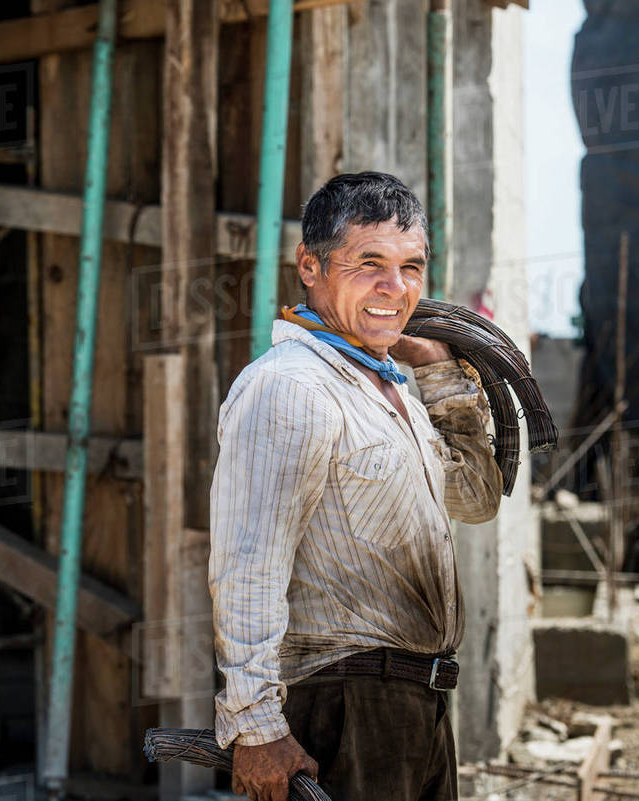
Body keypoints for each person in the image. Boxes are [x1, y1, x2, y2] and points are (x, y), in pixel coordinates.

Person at [209, 172, 503, 801]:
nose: (394, 289)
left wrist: (442, 375)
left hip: (415, 703)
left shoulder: (388, 387)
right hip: (342, 702)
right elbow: (247, 564)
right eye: (369, 263)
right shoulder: (291, 386)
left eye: (411, 267)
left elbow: (476, 498)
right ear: (309, 266)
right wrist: (256, 725)